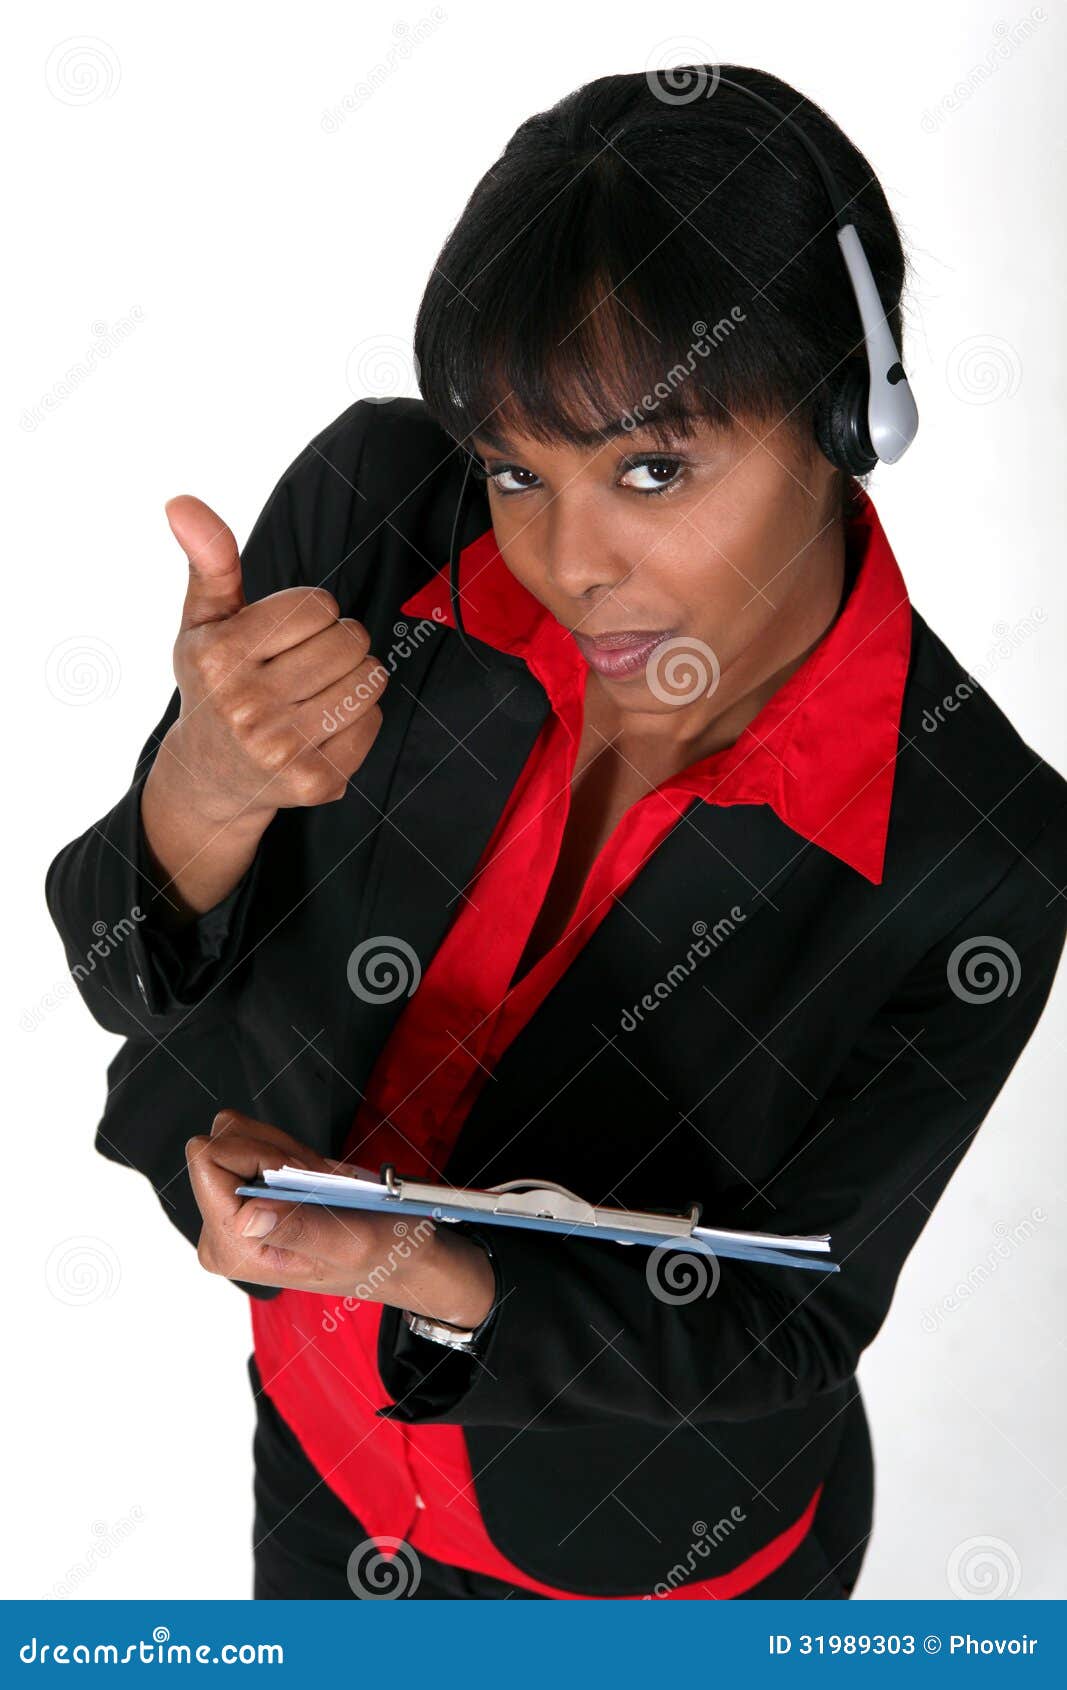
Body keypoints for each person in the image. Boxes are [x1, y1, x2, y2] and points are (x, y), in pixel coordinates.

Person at [45, 64, 1067, 1601]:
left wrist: (408, 1265)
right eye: (519, 467)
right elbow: (123, 974)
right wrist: (205, 783)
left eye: (653, 468)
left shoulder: (982, 845)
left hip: (637, 1559)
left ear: (852, 416)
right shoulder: (383, 513)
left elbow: (787, 1324)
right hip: (325, 1453)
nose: (568, 558)